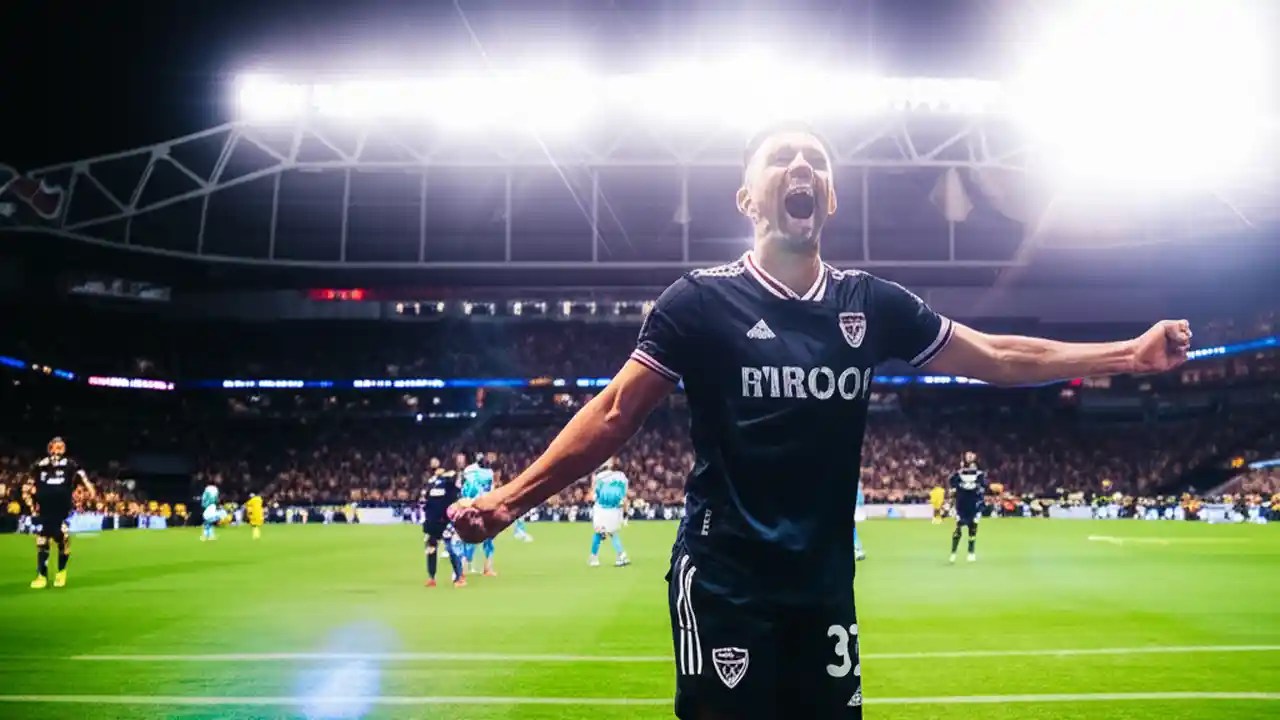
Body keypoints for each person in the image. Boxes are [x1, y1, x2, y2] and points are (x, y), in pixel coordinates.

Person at [450, 121, 1193, 719]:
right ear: (748, 198)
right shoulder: (699, 302)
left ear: (829, 199)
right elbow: (614, 413)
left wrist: (1129, 353)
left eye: (817, 160)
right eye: (782, 157)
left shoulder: (872, 304)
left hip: (824, 585)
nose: (802, 166)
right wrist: (510, 500)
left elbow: (996, 354)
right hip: (727, 580)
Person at [27, 437, 95, 589]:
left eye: (61, 446)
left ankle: (61, 572)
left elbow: (83, 477)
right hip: (44, 509)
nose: (58, 449)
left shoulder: (70, 464)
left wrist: (90, 489)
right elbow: (30, 482)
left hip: (62, 509)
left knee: (62, 539)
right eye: (55, 446)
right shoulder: (41, 465)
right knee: (42, 542)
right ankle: (41, 576)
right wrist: (32, 500)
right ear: (49, 448)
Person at [421, 461, 466, 588]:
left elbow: (456, 489)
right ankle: (431, 578)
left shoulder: (449, 480)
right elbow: (426, 501)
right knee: (431, 548)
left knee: (451, 547)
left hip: (446, 521)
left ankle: (459, 577)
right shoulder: (431, 482)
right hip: (432, 522)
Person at [589, 458, 631, 567]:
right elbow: (624, 495)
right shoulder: (623, 477)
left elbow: (595, 494)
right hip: (615, 509)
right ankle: (621, 555)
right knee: (613, 533)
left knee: (598, 532)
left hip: (601, 508)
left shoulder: (600, 477)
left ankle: (594, 557)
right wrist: (625, 514)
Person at [461, 452, 497, 576]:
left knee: (486, 539)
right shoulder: (474, 471)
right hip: (476, 507)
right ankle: (465, 568)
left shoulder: (475, 471)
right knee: (475, 539)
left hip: (479, 507)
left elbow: (468, 489)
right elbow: (470, 489)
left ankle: (484, 568)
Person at [948, 452, 987, 564]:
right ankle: (953, 553)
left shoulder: (980, 475)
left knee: (973, 529)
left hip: (974, 506)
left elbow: (984, 487)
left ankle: (971, 552)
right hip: (961, 506)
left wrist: (981, 505)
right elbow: (951, 483)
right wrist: (952, 504)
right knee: (958, 529)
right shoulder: (958, 474)